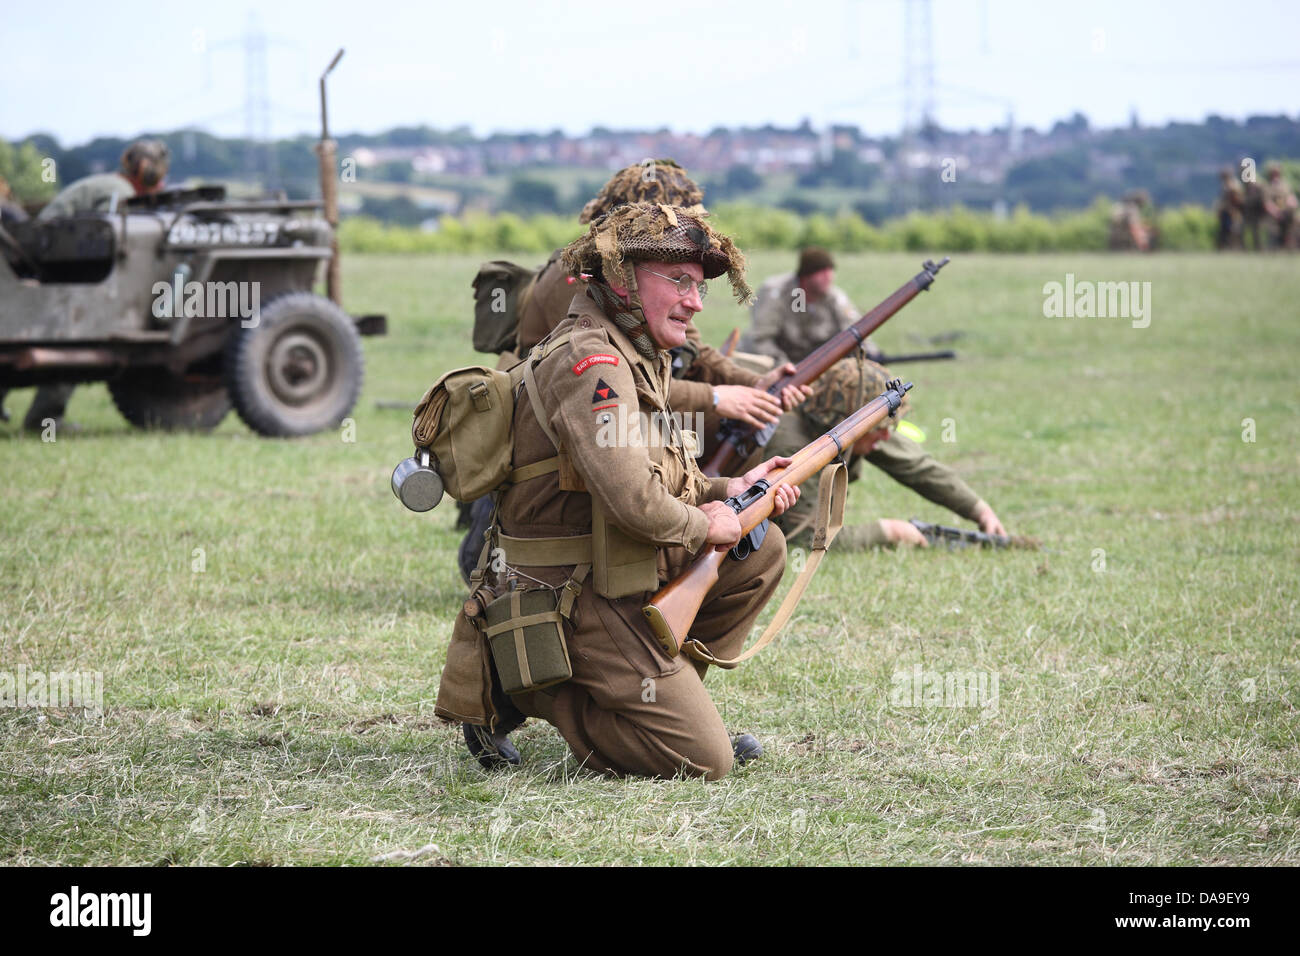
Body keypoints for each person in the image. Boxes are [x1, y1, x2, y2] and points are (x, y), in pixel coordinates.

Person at [435, 203, 800, 780]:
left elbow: (662, 478)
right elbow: (634, 501)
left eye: (699, 285)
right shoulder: (594, 361)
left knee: (761, 547)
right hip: (575, 589)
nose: (695, 301)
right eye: (678, 281)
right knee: (705, 762)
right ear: (624, 278)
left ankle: (658, 702)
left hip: (619, 562)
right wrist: (707, 523)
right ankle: (533, 691)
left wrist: (732, 488)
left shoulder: (637, 351)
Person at [8, 140, 170, 431]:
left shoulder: (110, 184)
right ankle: (45, 419)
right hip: (54, 256)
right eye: (159, 175)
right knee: (78, 337)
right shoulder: (120, 192)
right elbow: (110, 240)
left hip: (45, 254)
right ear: (146, 171)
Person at [768, 355, 1009, 550]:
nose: (886, 436)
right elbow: (806, 538)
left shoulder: (848, 428)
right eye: (879, 427)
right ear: (846, 424)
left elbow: (918, 468)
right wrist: (890, 531)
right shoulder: (793, 450)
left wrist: (979, 509)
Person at [739, 246, 883, 367]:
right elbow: (760, 340)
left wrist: (871, 354)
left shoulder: (834, 298)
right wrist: (784, 367)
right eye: (821, 271)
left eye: (830, 270)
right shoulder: (776, 292)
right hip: (773, 363)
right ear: (806, 275)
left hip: (813, 365)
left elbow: (855, 331)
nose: (828, 276)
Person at [1264, 162, 1297, 249]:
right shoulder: (1267, 187)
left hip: (1287, 213)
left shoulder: (1286, 185)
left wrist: (1291, 205)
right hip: (1273, 216)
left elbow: (1292, 198)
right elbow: (1267, 203)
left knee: (1292, 229)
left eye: (1277, 173)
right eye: (1274, 173)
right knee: (1274, 233)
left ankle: (1291, 247)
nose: (1276, 176)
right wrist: (1276, 213)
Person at [1215, 168, 1244, 251]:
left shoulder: (1234, 185)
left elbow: (1237, 200)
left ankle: (1236, 248)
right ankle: (1226, 248)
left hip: (1234, 212)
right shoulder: (1225, 185)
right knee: (1224, 231)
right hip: (1226, 212)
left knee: (1234, 230)